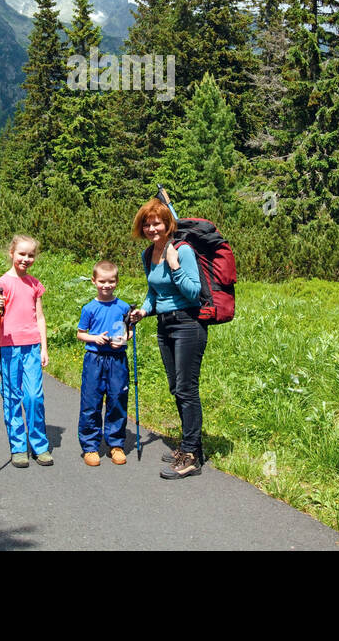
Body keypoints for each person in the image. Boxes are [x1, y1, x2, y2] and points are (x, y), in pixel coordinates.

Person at [126, 198, 206, 479]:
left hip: (188, 325)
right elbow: (153, 293)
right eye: (146, 224)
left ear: (167, 223)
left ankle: (191, 455)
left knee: (186, 388)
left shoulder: (181, 252)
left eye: (156, 223)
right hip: (164, 325)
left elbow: (194, 292)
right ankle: (192, 445)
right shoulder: (148, 255)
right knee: (176, 387)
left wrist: (175, 266)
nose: (151, 228)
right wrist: (143, 310)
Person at [0, 234, 52, 467]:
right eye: (22, 254)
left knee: (34, 396)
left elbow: (40, 316)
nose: (26, 259)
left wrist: (44, 347)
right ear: (11, 253)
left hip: (32, 346)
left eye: (31, 255)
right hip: (9, 347)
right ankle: (18, 447)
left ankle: (40, 445)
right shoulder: (2, 283)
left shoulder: (35, 284)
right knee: (12, 397)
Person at [76, 260, 131, 466]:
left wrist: (124, 339)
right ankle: (90, 446)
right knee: (91, 401)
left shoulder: (124, 307)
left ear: (117, 282)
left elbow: (129, 331)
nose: (106, 286)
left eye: (111, 281)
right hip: (94, 359)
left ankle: (115, 444)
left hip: (117, 359)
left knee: (117, 399)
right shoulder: (89, 308)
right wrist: (95, 338)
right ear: (94, 281)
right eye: (102, 281)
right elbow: (81, 334)